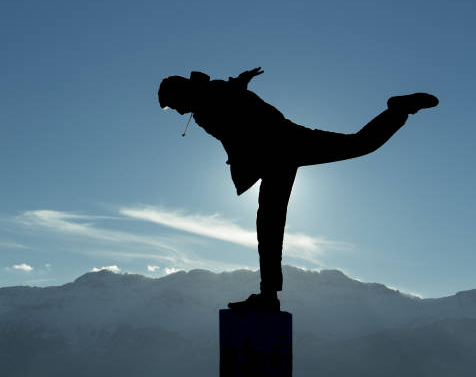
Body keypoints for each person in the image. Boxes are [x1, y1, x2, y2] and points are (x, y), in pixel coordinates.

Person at [157, 67, 438, 311]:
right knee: (356, 146)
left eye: (175, 105)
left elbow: (233, 108)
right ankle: (399, 110)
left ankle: (269, 296)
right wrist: (241, 81)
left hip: (280, 150)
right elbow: (231, 95)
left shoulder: (210, 101)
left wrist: (238, 88)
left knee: (269, 225)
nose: (179, 111)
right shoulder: (210, 98)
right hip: (281, 150)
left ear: (182, 93)